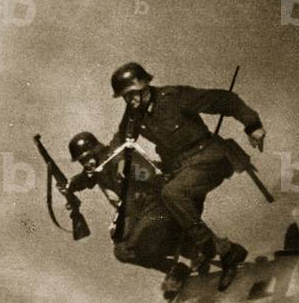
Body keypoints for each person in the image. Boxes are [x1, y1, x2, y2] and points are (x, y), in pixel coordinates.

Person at [108, 62, 265, 291]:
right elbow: (119, 142)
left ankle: (221, 251)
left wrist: (252, 125)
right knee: (161, 203)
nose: (130, 101)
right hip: (182, 168)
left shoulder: (173, 97)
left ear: (145, 86)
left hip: (209, 157)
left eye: (132, 94)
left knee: (172, 192)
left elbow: (224, 100)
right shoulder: (134, 115)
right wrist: (115, 161)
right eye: (124, 97)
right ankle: (196, 254)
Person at [65, 131, 182, 272]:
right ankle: (176, 267)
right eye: (82, 161)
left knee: (131, 245)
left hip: (156, 207)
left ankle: (187, 259)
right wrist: (71, 185)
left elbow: (154, 175)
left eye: (86, 159)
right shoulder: (97, 168)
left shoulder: (118, 159)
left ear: (96, 151)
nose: (85, 164)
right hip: (142, 212)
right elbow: (86, 178)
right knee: (123, 249)